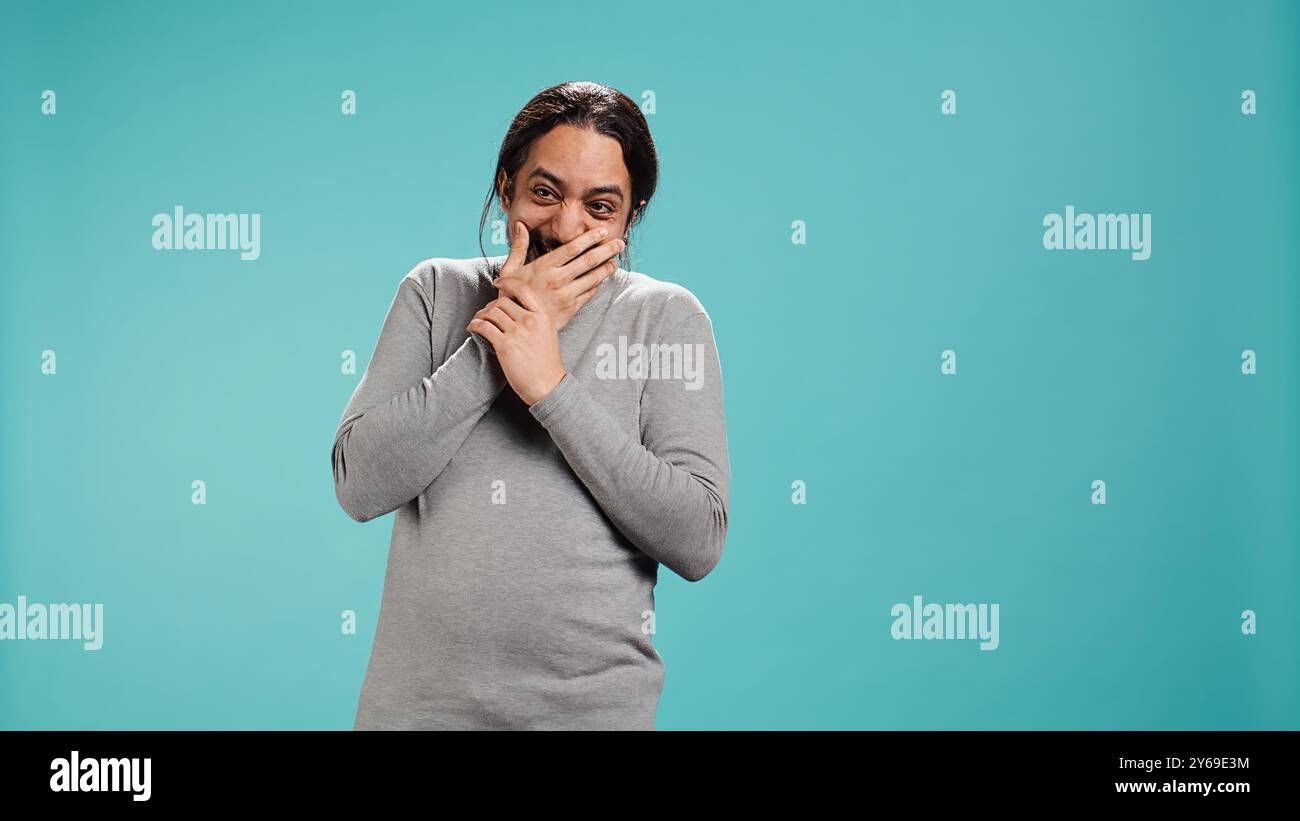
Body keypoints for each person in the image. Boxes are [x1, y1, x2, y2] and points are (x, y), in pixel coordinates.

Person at [331, 81, 731, 730]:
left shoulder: (666, 318)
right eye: (545, 192)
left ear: (632, 216)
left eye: (600, 206)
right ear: (506, 187)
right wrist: (502, 339)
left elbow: (697, 539)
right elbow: (360, 485)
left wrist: (550, 388)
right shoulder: (434, 292)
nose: (568, 226)